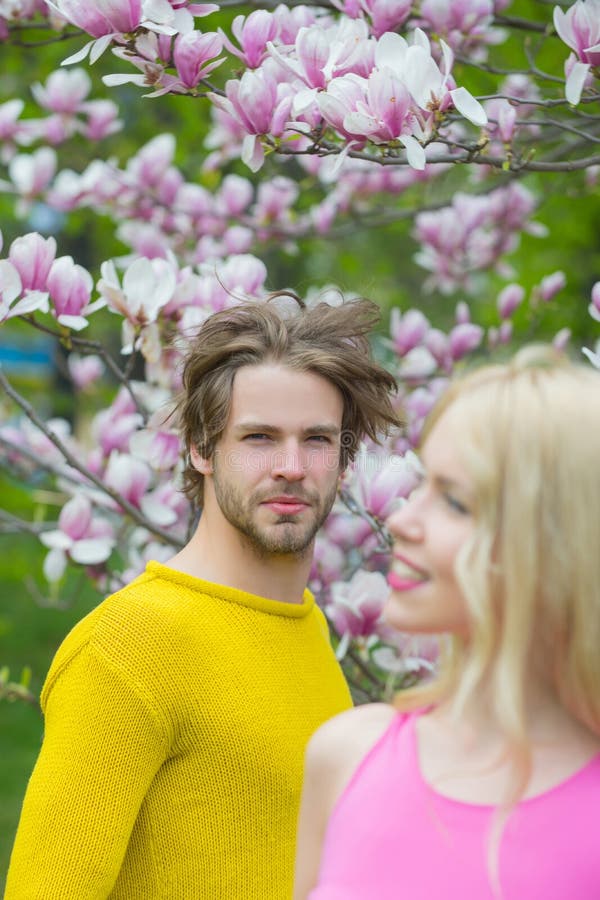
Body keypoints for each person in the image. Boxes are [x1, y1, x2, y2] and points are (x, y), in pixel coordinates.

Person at [5, 293, 399, 899]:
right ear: (200, 448)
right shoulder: (130, 646)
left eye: (317, 439)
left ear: (343, 460)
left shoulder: (308, 628)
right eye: (260, 437)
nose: (292, 466)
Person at [294, 345, 600, 900]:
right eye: (421, 486)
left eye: (455, 503)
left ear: (554, 547)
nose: (402, 520)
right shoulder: (347, 755)